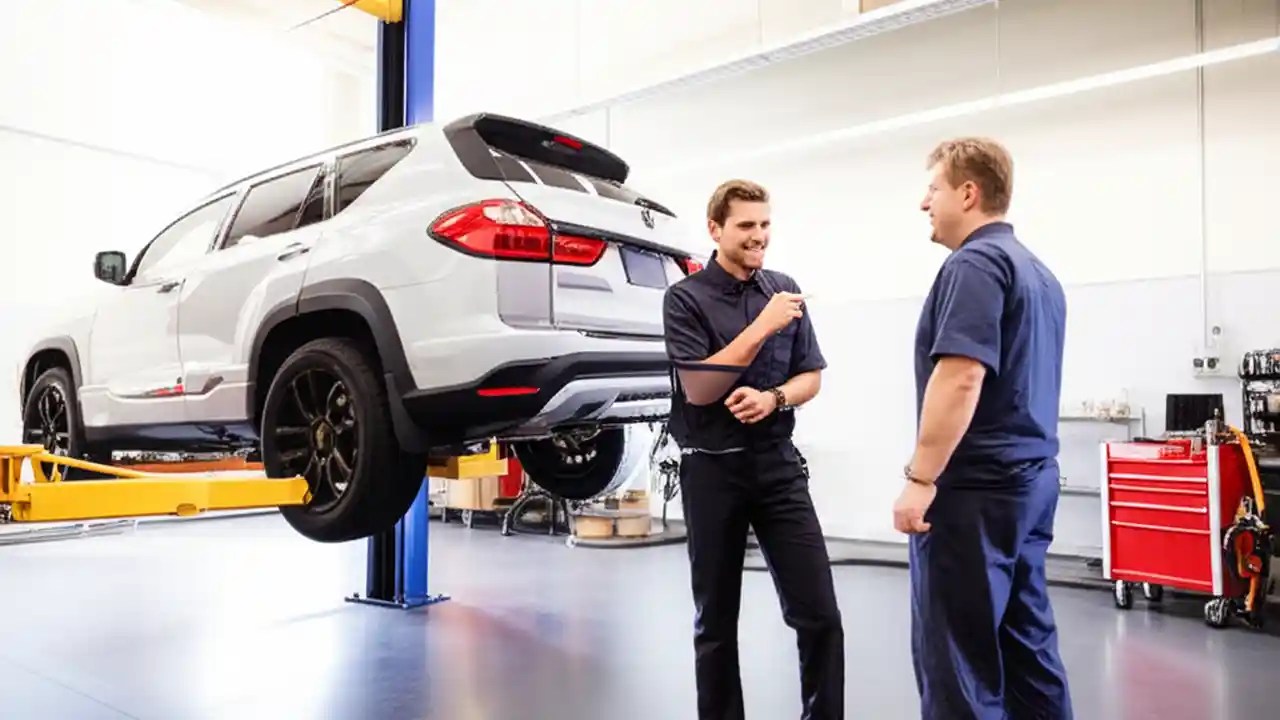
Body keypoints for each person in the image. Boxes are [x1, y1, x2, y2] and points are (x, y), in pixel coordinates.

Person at [894, 137, 1074, 719]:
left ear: (968, 193)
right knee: (1027, 647)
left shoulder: (974, 264)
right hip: (1030, 483)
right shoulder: (1039, 272)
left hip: (975, 493)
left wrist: (921, 478)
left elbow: (962, 376)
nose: (925, 203)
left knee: (959, 659)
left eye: (935, 189)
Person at [662, 179, 845, 720]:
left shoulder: (784, 288)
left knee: (820, 615)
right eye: (746, 226)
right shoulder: (685, 299)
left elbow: (810, 376)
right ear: (716, 229)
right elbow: (700, 389)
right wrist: (763, 327)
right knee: (715, 624)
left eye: (765, 224)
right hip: (711, 473)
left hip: (778, 470)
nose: (759, 236)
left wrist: (774, 397)